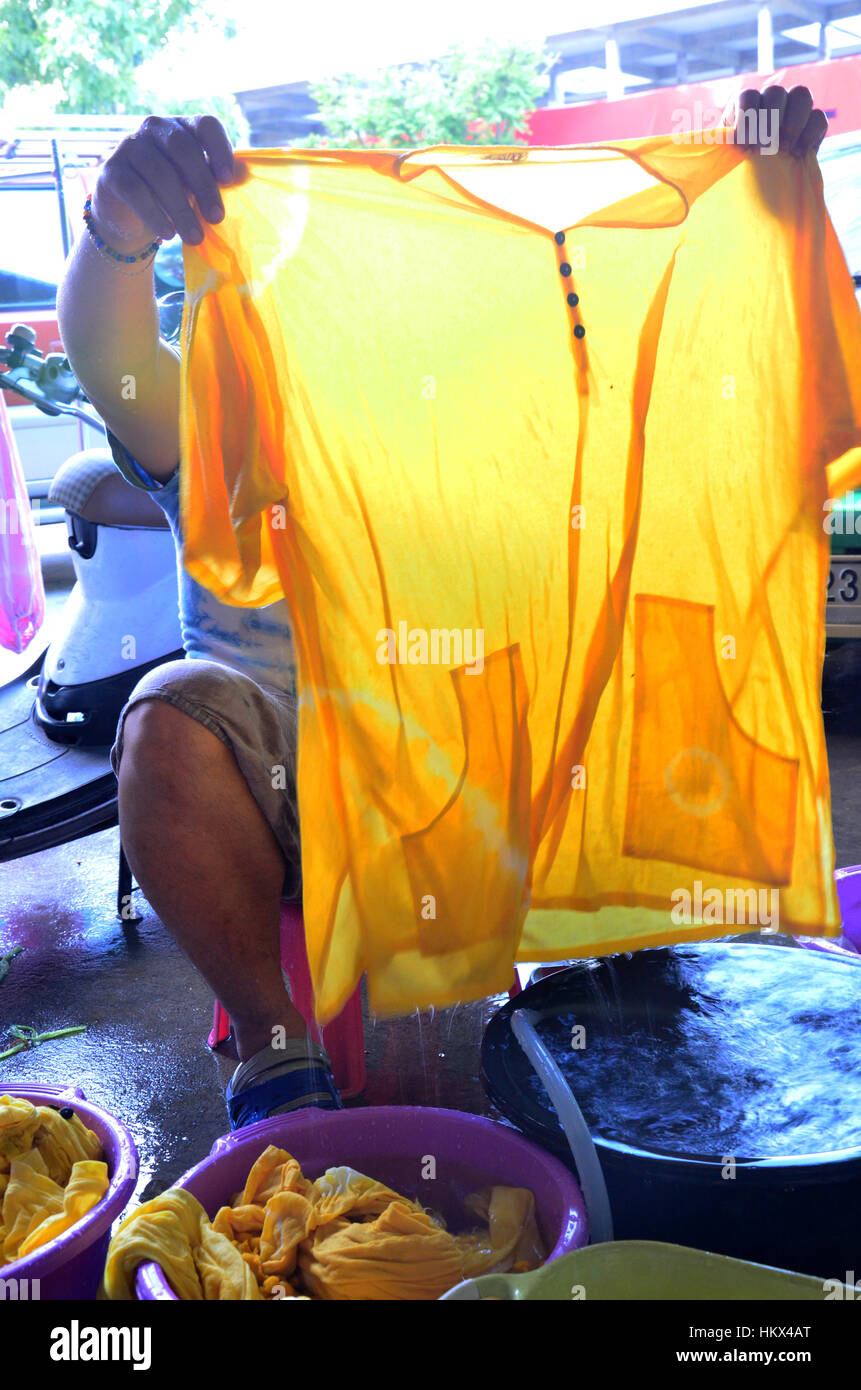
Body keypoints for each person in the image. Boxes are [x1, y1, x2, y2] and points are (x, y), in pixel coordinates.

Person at [55, 86, 829, 1129]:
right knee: (167, 717)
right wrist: (118, 223)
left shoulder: (503, 455)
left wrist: (763, 210)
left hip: (505, 794)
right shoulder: (224, 424)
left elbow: (717, 410)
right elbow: (111, 362)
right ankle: (277, 1047)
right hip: (305, 801)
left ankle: (626, 993)